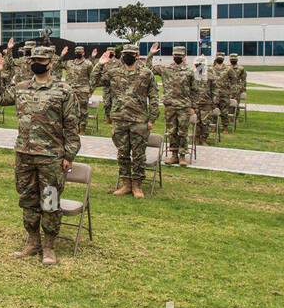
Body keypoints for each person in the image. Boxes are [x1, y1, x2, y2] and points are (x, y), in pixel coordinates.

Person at [0, 45, 79, 265]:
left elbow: (72, 125)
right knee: (27, 199)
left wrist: (69, 154)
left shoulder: (63, 90)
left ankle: (49, 246)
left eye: (40, 60)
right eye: (33, 60)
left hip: (51, 156)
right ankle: (32, 241)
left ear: (50, 63)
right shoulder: (21, 87)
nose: (35, 63)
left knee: (50, 200)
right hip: (25, 154)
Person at [93, 44, 158, 196]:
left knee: (138, 154)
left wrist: (152, 119)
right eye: (125, 53)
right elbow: (94, 81)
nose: (127, 56)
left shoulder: (146, 73)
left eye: (130, 53)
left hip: (139, 120)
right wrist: (100, 64)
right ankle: (126, 184)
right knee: (122, 153)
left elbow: (154, 96)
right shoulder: (114, 72)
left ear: (137, 55)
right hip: (120, 119)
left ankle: (137, 185)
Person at [148, 42, 195, 166]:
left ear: (184, 56)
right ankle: (174, 155)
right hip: (170, 106)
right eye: (175, 55)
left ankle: (183, 156)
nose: (177, 57)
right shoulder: (166, 70)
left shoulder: (190, 71)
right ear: (172, 56)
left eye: (179, 55)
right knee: (172, 131)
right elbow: (148, 69)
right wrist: (150, 54)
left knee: (183, 132)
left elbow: (195, 90)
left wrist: (193, 107)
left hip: (184, 106)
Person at [64, 45, 96, 123]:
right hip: (71, 90)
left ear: (83, 53)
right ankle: (73, 127)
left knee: (83, 111)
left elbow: (92, 78)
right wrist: (62, 55)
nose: (78, 53)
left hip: (83, 91)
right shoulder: (69, 63)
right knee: (70, 110)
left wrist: (90, 91)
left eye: (80, 52)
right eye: (77, 52)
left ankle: (82, 128)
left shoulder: (88, 64)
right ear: (75, 53)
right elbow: (57, 64)